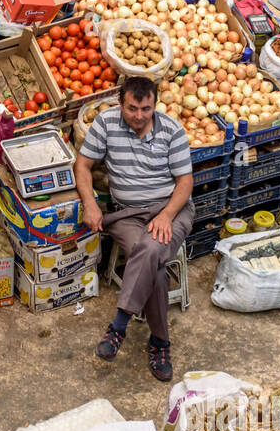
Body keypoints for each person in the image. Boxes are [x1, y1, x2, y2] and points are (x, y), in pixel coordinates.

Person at [73, 75, 194, 381]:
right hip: (126, 215)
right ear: (120, 103)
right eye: (132, 108)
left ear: (155, 104)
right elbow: (83, 165)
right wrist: (90, 203)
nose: (139, 116)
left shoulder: (172, 130)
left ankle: (119, 325)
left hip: (171, 210)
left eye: (146, 109)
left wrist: (166, 215)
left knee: (151, 248)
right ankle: (159, 343)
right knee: (152, 262)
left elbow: (185, 183)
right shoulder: (105, 123)